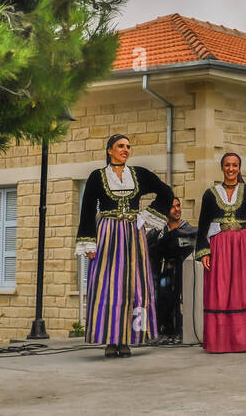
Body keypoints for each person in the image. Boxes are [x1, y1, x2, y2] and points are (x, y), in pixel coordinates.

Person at [74, 134, 175, 358]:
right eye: (121, 146)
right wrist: (89, 243)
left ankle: (128, 338)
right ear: (110, 150)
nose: (125, 149)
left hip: (132, 234)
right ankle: (111, 340)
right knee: (108, 286)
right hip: (107, 234)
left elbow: (166, 192)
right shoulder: (97, 177)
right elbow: (87, 210)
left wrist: (146, 217)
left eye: (128, 146)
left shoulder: (139, 174)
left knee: (133, 285)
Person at [194, 152, 246, 353]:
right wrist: (204, 252)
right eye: (227, 165)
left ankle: (242, 339)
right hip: (219, 245)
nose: (231, 169)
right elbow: (203, 224)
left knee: (241, 291)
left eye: (234, 165)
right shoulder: (210, 193)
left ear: (239, 168)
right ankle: (220, 340)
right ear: (222, 168)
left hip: (241, 246)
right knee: (220, 290)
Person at [146, 196, 196, 342]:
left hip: (182, 275)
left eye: (178, 206)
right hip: (161, 275)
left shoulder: (189, 230)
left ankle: (177, 331)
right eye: (173, 207)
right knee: (161, 299)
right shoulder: (157, 232)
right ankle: (162, 330)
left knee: (176, 300)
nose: (177, 210)